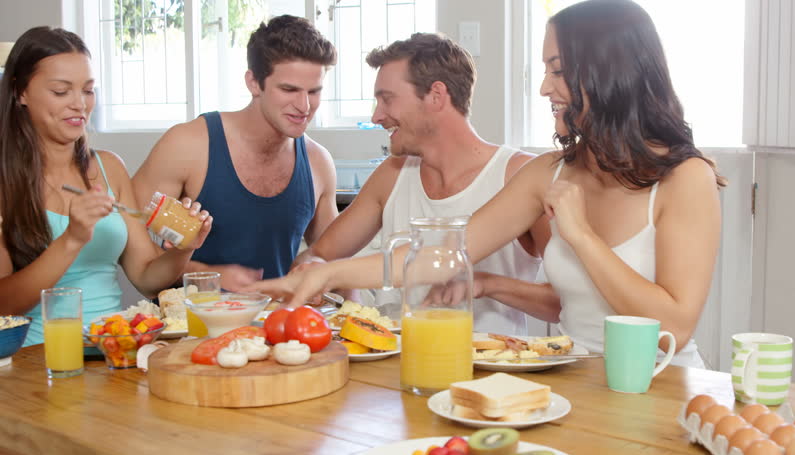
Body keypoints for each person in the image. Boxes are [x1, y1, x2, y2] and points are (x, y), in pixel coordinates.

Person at [249, 0, 724, 368]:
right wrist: (326, 273)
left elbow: (673, 327)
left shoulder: (685, 179)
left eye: (557, 69)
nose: (544, 87)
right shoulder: (550, 172)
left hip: (662, 385)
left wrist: (580, 235)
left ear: (609, 72)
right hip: (576, 380)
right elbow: (446, 253)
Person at [293, 33, 555, 335]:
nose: (376, 116)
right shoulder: (392, 174)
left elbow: (560, 303)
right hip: (394, 368)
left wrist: (487, 285)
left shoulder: (518, 175)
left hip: (490, 374)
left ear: (436, 95)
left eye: (387, 99)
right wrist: (310, 268)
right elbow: (321, 253)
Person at [0, 27, 213, 346]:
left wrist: (185, 247)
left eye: (88, 90)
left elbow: (146, 279)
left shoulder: (108, 168)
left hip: (111, 353)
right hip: (37, 361)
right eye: (61, 91)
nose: (79, 104)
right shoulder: (4, 181)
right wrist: (71, 239)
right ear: (20, 93)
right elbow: (4, 305)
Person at [132, 15, 339, 291]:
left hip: (275, 329)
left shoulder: (318, 163)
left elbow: (334, 256)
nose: (304, 105)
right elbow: (129, 239)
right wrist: (205, 274)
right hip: (187, 328)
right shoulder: (187, 144)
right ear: (253, 82)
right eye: (289, 89)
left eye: (314, 91)